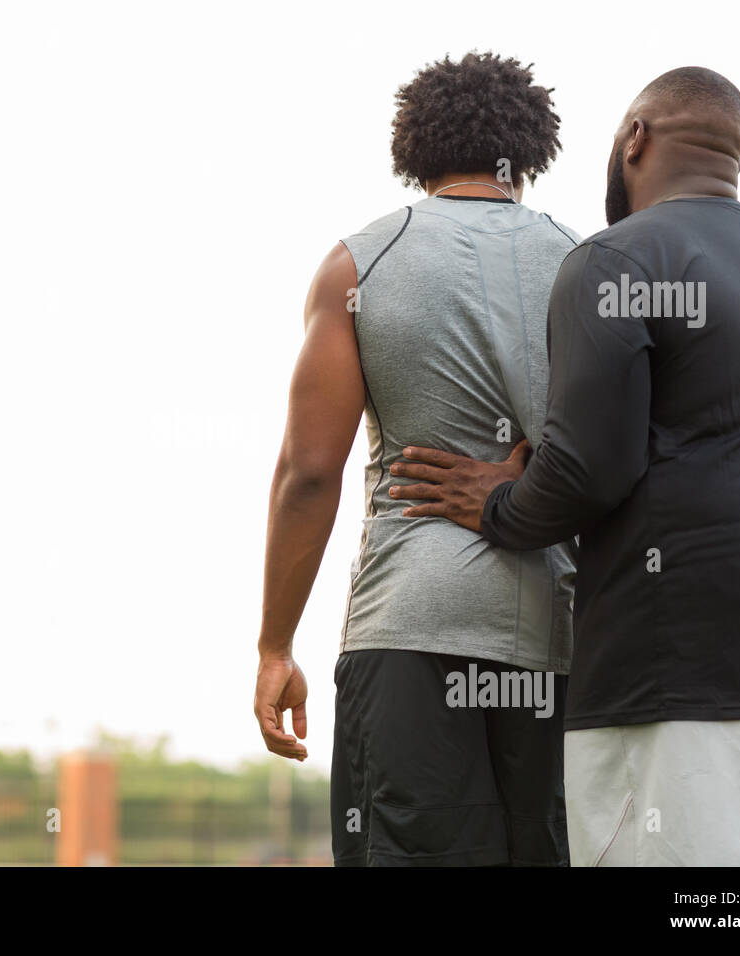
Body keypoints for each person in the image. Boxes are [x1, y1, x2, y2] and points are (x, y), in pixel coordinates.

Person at [390, 67, 740, 866]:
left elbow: (590, 468)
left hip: (695, 661)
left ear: (634, 138)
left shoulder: (616, 259)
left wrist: (497, 503)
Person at [253, 52, 579, 866]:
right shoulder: (590, 264)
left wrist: (275, 646)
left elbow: (309, 472)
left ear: (415, 146)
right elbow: (629, 447)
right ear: (532, 149)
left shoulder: (360, 263)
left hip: (409, 628)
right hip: (562, 633)